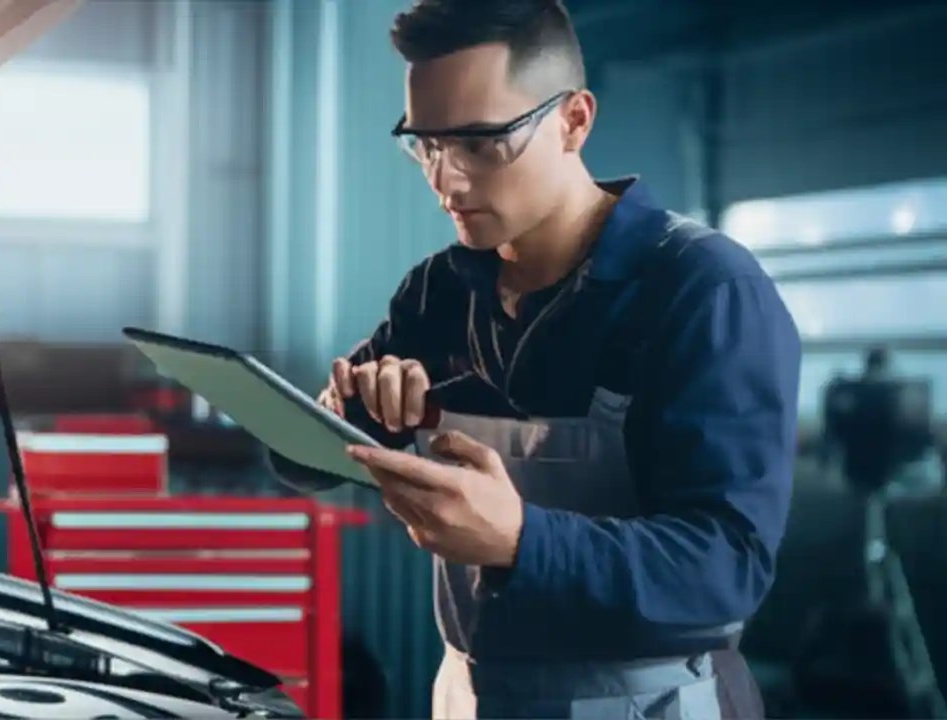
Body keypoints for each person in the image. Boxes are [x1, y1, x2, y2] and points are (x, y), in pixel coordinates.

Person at [268, 1, 802, 717]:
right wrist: (350, 416)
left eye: (482, 144)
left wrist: (522, 540)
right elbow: (298, 464)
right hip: (472, 694)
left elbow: (727, 567)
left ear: (574, 120)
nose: (446, 181)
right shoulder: (439, 292)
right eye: (425, 144)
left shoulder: (702, 292)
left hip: (651, 702)